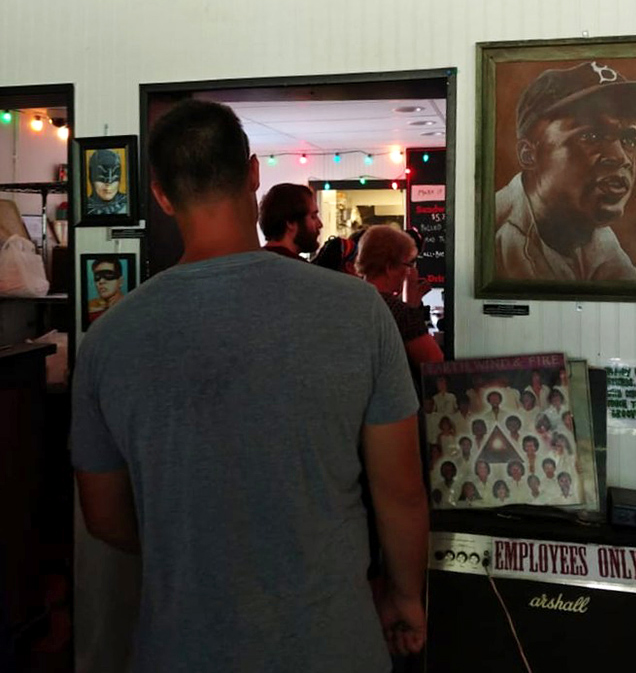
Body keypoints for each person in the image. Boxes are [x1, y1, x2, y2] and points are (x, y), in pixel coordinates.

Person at [71, 100, 429, 672]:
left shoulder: (107, 339)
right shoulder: (358, 310)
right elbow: (401, 492)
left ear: (161, 196)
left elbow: (105, 517)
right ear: (255, 173)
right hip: (332, 642)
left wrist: (200, 542)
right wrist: (406, 597)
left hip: (181, 645)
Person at [495, 60, 636, 281]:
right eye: (591, 137)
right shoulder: (491, 238)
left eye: (629, 139)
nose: (620, 158)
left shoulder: (598, 243)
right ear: (528, 154)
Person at [356, 225, 444, 387]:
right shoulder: (396, 311)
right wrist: (411, 309)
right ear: (389, 267)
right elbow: (433, 362)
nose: (410, 271)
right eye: (408, 264)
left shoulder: (351, 300)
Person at [258, 182, 323, 259]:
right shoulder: (301, 269)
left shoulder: (253, 261)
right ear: (290, 222)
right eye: (313, 217)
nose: (320, 224)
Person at [86, 149, 128, 215]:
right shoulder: (83, 208)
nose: (108, 184)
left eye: (114, 178)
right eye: (100, 178)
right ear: (91, 178)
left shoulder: (128, 204)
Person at [87, 257, 125, 325]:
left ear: (120, 281)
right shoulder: (90, 310)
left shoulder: (130, 306)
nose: (101, 281)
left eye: (108, 275)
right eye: (97, 276)